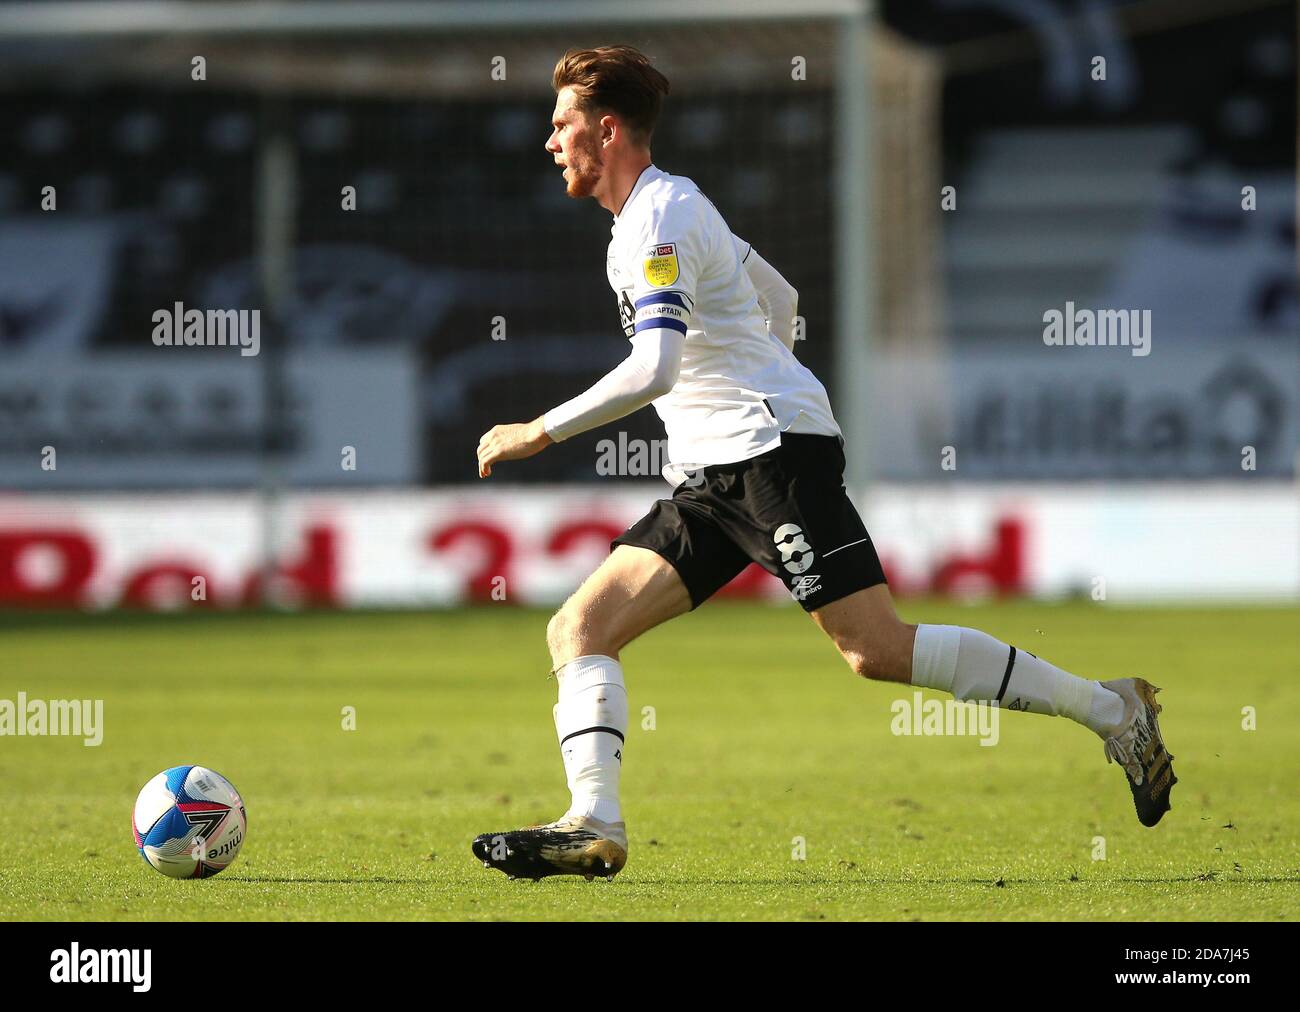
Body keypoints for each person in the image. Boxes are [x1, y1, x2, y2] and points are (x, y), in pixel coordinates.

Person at [472, 45, 1176, 881]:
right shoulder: (663, 214)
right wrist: (756, 378)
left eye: (563, 124)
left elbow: (657, 367)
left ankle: (1112, 711)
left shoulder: (659, 218)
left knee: (872, 648)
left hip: (769, 458)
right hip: (717, 471)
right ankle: (595, 823)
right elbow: (780, 300)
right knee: (579, 628)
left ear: (609, 127)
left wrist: (540, 430)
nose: (551, 142)